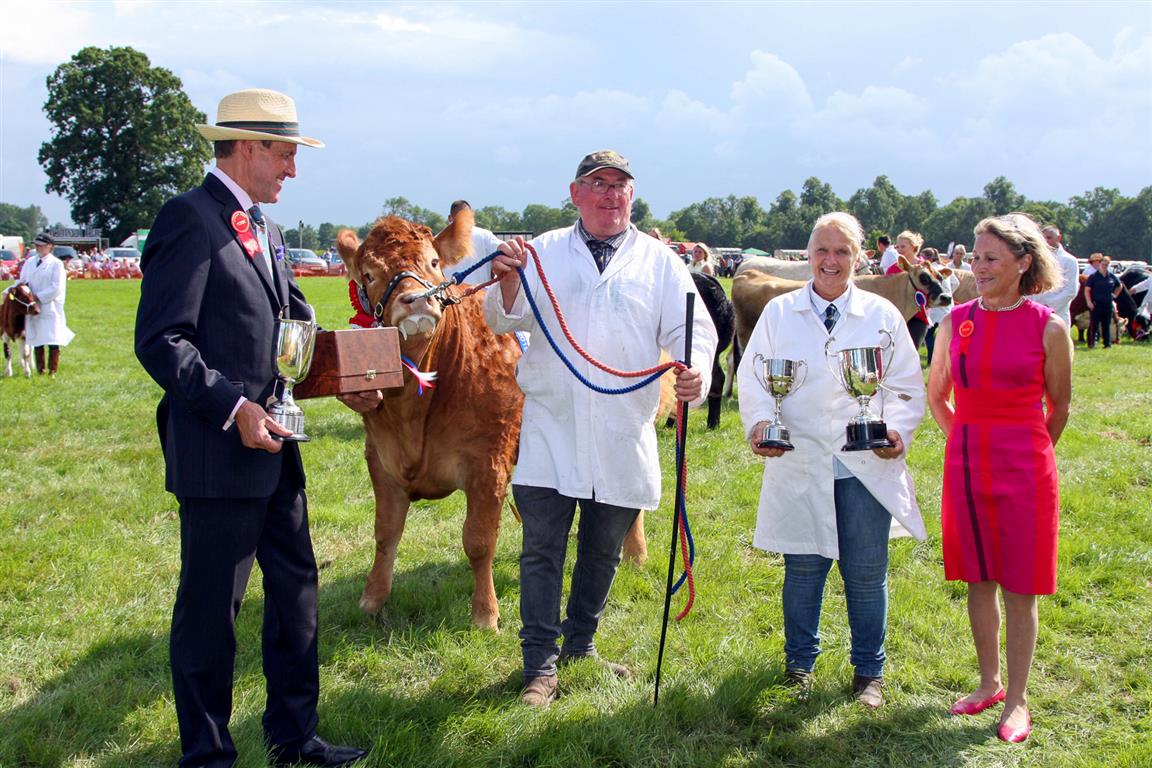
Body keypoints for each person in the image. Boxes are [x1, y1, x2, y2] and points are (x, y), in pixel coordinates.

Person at [134, 89, 373, 768]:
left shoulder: (263, 229)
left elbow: (297, 330)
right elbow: (162, 339)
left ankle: (294, 740)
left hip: (277, 451)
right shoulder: (187, 218)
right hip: (219, 452)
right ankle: (207, 756)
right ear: (247, 146)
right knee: (213, 613)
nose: (293, 170)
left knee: (297, 594)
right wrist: (235, 408)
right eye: (286, 154)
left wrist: (367, 371)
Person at [484, 149, 718, 708]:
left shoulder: (660, 262)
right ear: (576, 193)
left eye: (621, 185)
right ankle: (539, 665)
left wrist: (698, 373)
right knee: (541, 548)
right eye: (599, 184)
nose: (612, 194)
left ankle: (580, 645)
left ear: (632, 195)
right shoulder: (539, 253)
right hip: (550, 427)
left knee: (604, 548)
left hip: (620, 426)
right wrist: (508, 279)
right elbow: (501, 317)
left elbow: (694, 330)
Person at [737, 212, 926, 709]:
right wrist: (760, 424)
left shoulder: (882, 316)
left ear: (858, 258)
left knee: (866, 572)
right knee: (802, 567)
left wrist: (896, 433)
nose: (831, 260)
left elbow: (907, 387)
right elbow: (753, 378)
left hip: (863, 465)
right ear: (808, 255)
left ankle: (869, 672)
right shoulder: (779, 313)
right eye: (822, 250)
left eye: (842, 251)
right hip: (799, 457)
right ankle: (799, 664)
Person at [927, 212, 1071, 744]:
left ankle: (1017, 700)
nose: (977, 266)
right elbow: (937, 393)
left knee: (1020, 586)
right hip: (966, 465)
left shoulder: (1049, 326)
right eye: (975, 256)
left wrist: (1028, 451)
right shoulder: (955, 320)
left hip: (1027, 470)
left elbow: (1059, 407)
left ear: (1023, 263)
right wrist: (962, 437)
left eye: (990, 258)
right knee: (978, 578)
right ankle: (988, 682)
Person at [18, 232, 75, 376]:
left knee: (52, 337)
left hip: (50, 305)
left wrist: (38, 296)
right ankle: (41, 369)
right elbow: (22, 280)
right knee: (37, 338)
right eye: (36, 245)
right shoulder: (30, 262)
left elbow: (57, 287)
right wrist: (15, 290)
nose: (38, 248)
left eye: (41, 246)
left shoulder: (56, 264)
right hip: (32, 305)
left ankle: (52, 370)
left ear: (49, 246)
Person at [886, 231, 930, 349]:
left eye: (903, 246)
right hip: (896, 318)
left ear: (913, 247)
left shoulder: (925, 267)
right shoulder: (892, 269)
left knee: (911, 351)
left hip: (918, 317)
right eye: (897, 247)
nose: (899, 250)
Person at [444, 199, 505, 283]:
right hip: (480, 293)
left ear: (450, 218)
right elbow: (504, 251)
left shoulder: (436, 241)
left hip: (448, 294)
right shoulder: (485, 235)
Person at [1032, 226, 1080, 328]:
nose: (1045, 241)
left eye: (1049, 238)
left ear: (1058, 238)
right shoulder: (1034, 259)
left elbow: (1071, 290)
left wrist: (1048, 307)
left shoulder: (1069, 260)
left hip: (1058, 313)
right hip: (1033, 313)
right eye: (1043, 238)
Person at [1084, 253, 1122, 349]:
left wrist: (1115, 294)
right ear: (1099, 264)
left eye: (1106, 264)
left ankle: (1107, 344)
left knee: (1106, 324)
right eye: (1103, 264)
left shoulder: (1111, 277)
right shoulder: (1093, 277)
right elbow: (1087, 290)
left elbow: (1120, 285)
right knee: (1094, 324)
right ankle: (1091, 343)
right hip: (1096, 304)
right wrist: (1089, 302)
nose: (1104, 266)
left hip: (1107, 304)